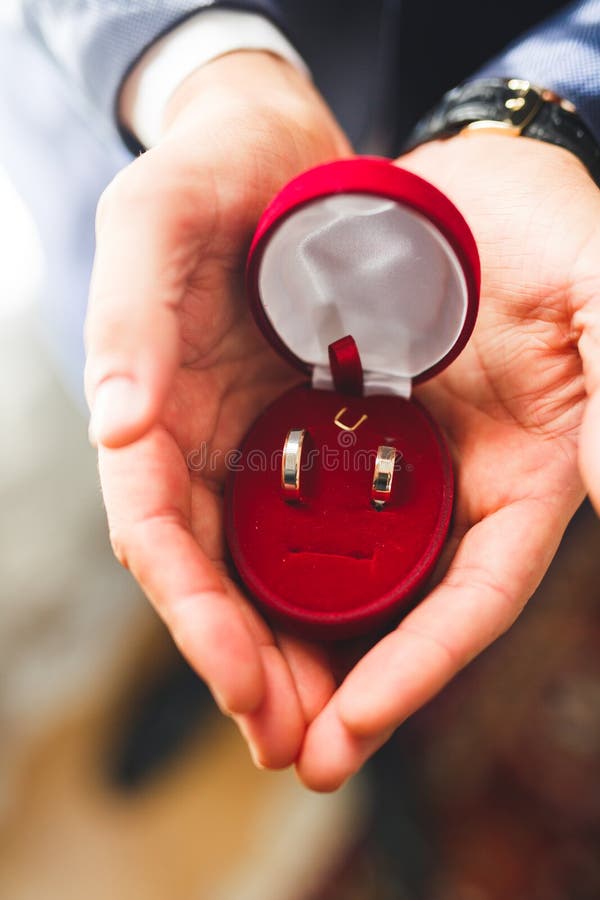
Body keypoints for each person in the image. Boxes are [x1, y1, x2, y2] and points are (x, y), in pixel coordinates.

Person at [19, 0, 600, 792]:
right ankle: (212, 671)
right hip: (181, 236)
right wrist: (214, 79)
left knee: (507, 516)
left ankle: (387, 742)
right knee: (193, 508)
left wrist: (558, 116)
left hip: (513, 308)